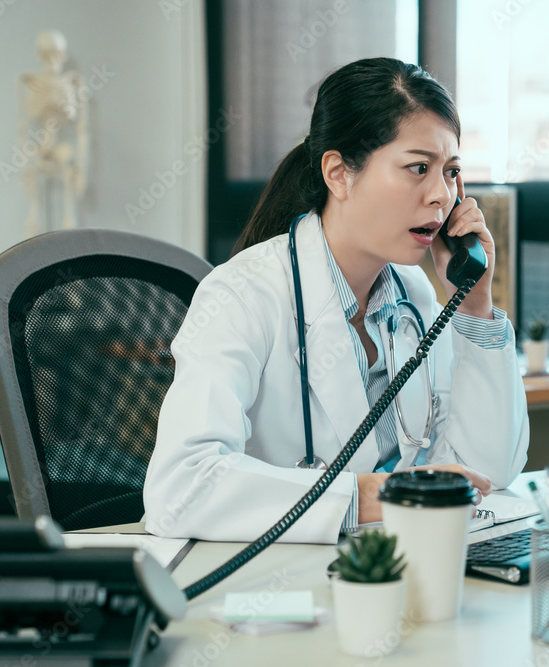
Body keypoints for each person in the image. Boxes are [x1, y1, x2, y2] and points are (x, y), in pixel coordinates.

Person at [143, 57, 529, 544]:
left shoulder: (417, 298)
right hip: (270, 591)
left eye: (451, 172)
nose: (442, 196)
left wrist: (474, 307)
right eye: (418, 168)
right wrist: (375, 496)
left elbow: (485, 473)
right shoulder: (242, 294)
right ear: (339, 174)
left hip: (388, 572)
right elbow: (181, 489)